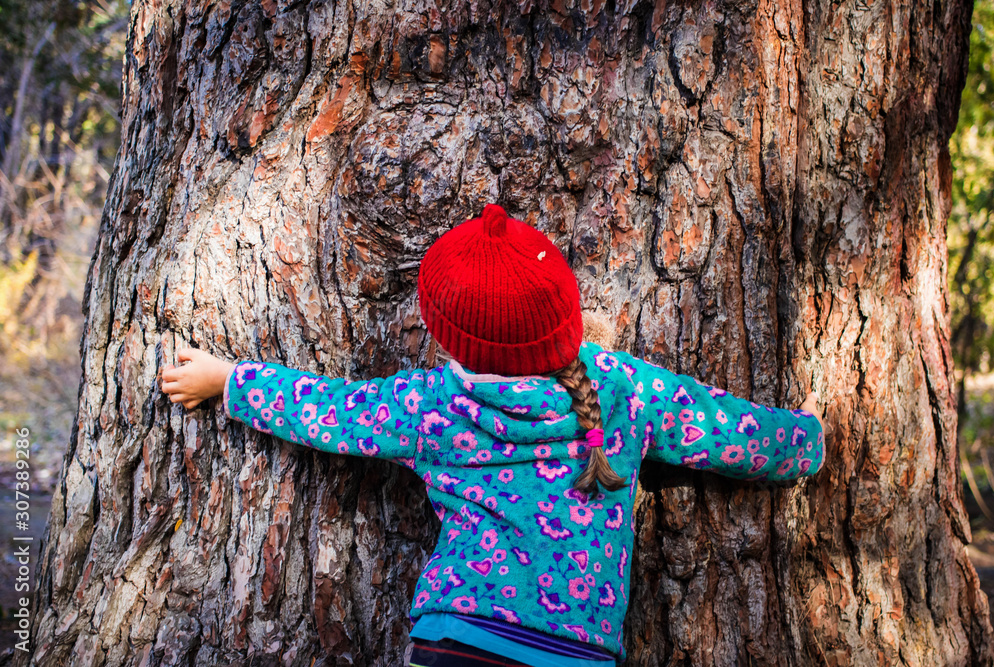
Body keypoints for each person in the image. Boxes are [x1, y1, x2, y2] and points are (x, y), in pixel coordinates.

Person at [159, 204, 826, 666]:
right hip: (576, 647)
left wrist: (230, 381)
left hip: (457, 637)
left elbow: (329, 410)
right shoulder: (625, 388)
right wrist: (807, 440)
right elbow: (728, 428)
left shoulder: (433, 404)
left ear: (450, 335)